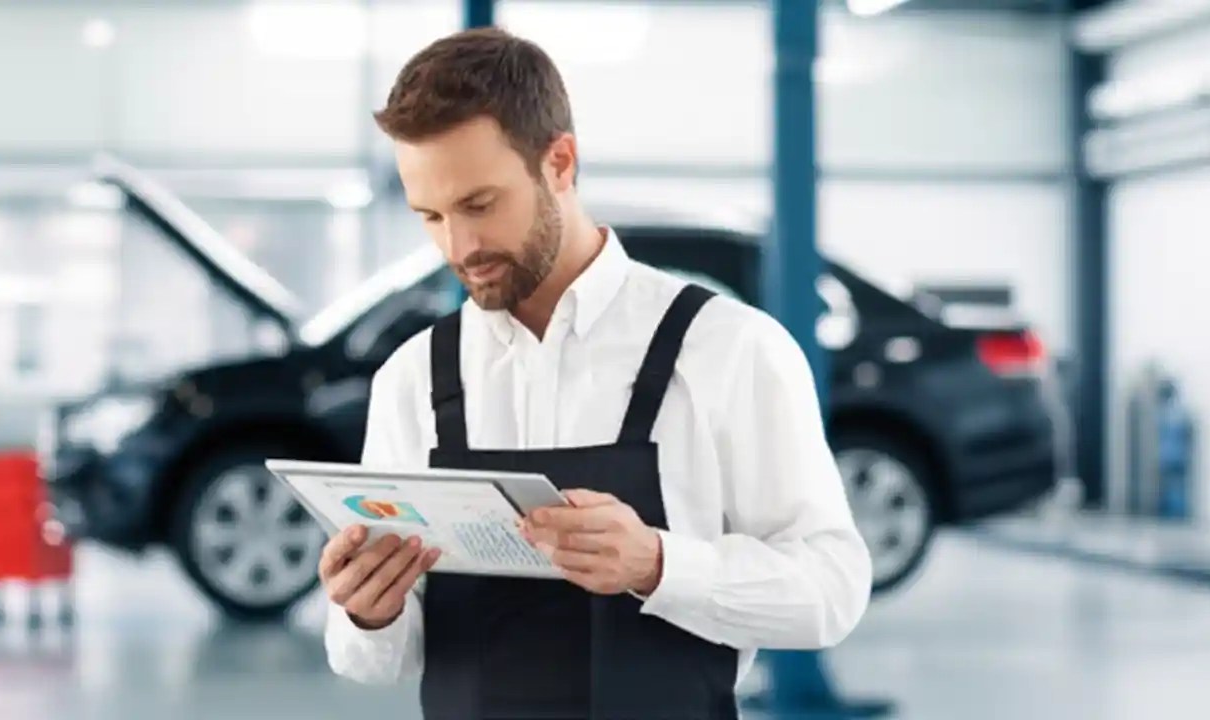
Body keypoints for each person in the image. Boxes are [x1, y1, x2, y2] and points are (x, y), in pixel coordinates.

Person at [319, 26, 873, 720]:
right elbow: (375, 660)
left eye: (479, 205)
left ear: (559, 162)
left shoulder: (729, 350)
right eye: (430, 215)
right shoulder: (412, 378)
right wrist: (367, 612)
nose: (458, 246)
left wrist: (659, 565)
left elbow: (832, 590)